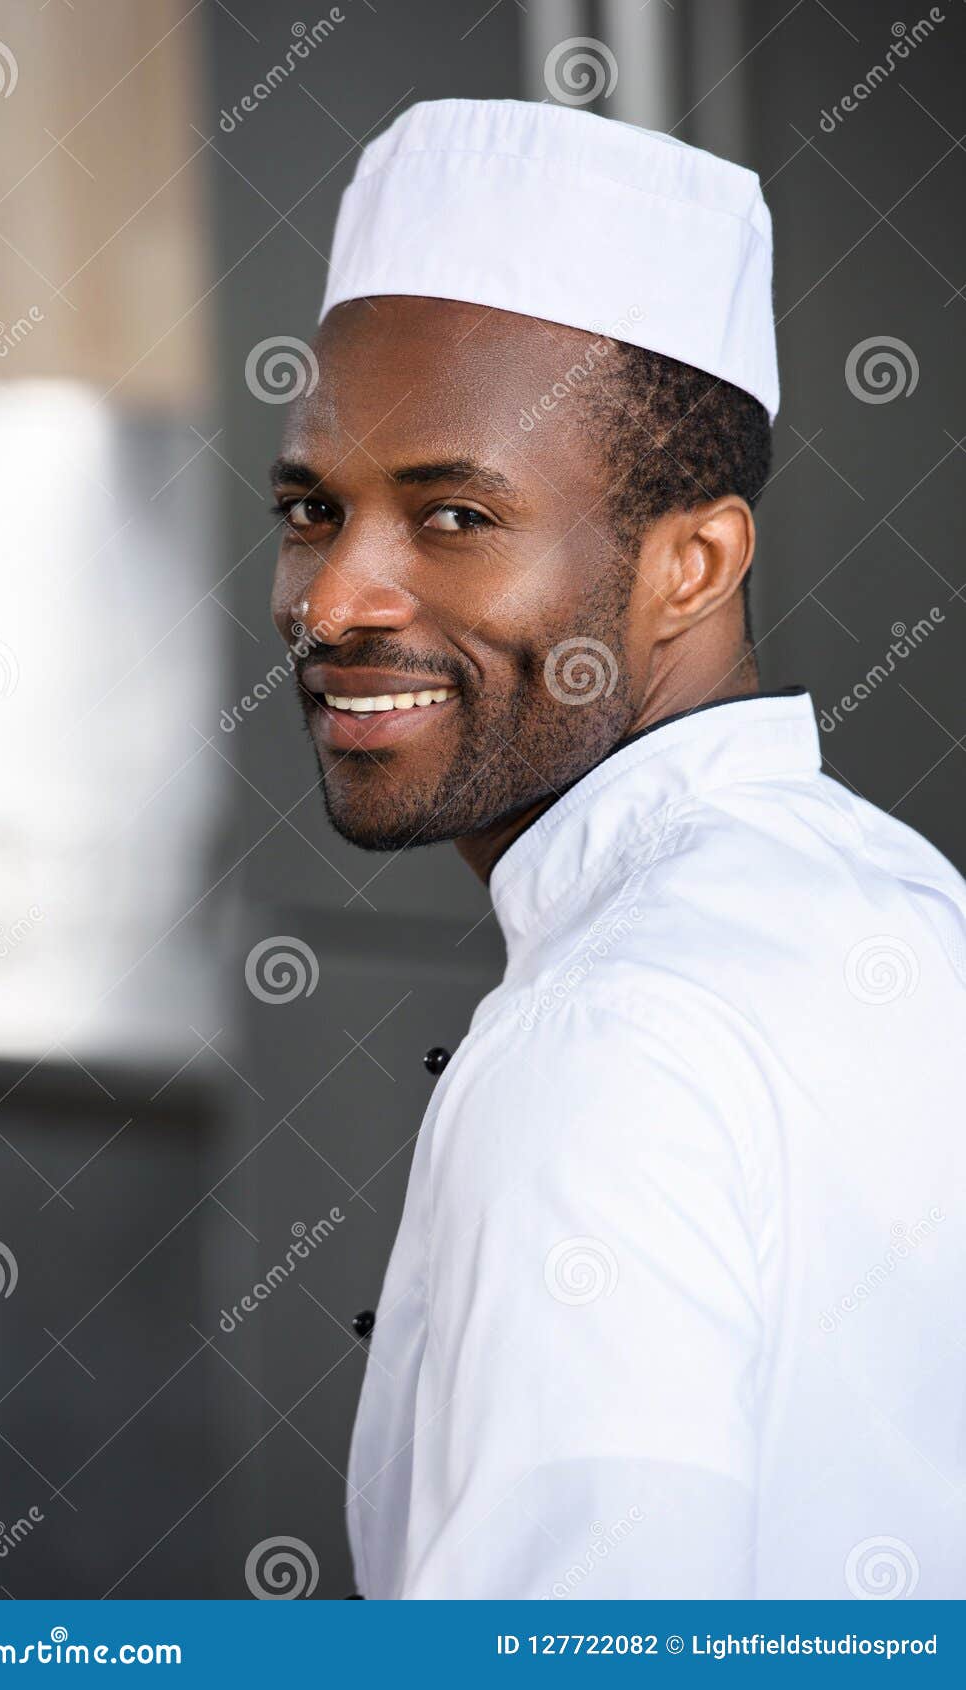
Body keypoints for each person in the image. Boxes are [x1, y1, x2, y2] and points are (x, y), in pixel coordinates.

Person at [268, 99, 965, 1599]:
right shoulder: (907, 903)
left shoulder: (606, 1039)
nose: (333, 602)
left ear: (693, 565)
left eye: (454, 513)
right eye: (311, 508)